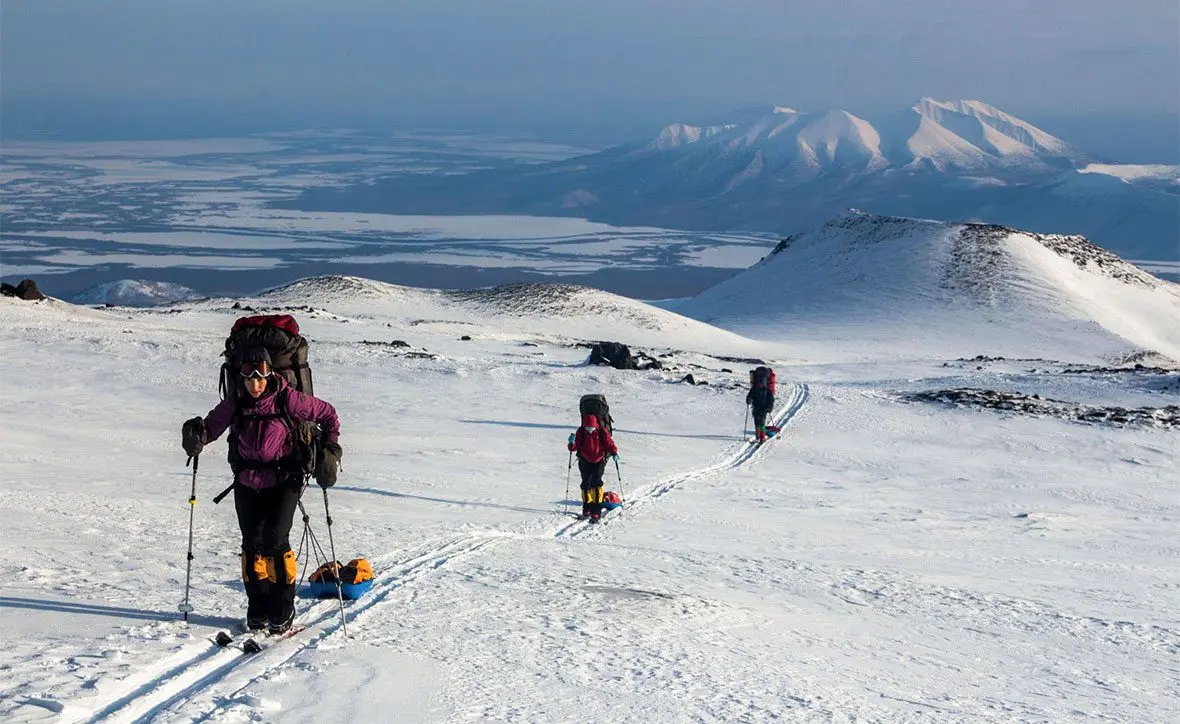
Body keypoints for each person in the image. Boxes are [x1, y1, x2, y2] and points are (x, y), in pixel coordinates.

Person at [181, 347, 341, 634]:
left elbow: (328, 415)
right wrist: (196, 435)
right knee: (251, 543)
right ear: (240, 378)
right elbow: (212, 427)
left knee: (275, 540)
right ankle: (258, 606)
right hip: (246, 479)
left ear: (270, 374)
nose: (255, 384)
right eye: (248, 378)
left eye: (260, 377)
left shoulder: (288, 398)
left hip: (285, 478)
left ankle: (282, 607)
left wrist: (331, 448)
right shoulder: (237, 402)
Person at [567, 413, 618, 522]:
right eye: (587, 428)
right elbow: (574, 447)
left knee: (596, 483)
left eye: (592, 428)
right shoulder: (581, 432)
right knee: (585, 484)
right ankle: (587, 509)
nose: (590, 430)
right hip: (584, 460)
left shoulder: (601, 431)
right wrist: (571, 443)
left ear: (596, 426)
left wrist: (614, 453)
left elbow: (609, 443)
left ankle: (596, 511)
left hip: (599, 460)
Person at [746, 366, 776, 442]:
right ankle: (758, 436)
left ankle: (762, 437)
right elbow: (750, 395)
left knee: (761, 423)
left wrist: (769, 407)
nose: (760, 384)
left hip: (763, 408)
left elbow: (771, 400)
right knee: (757, 422)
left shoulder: (766, 390)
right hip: (756, 407)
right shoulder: (756, 389)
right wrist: (748, 399)